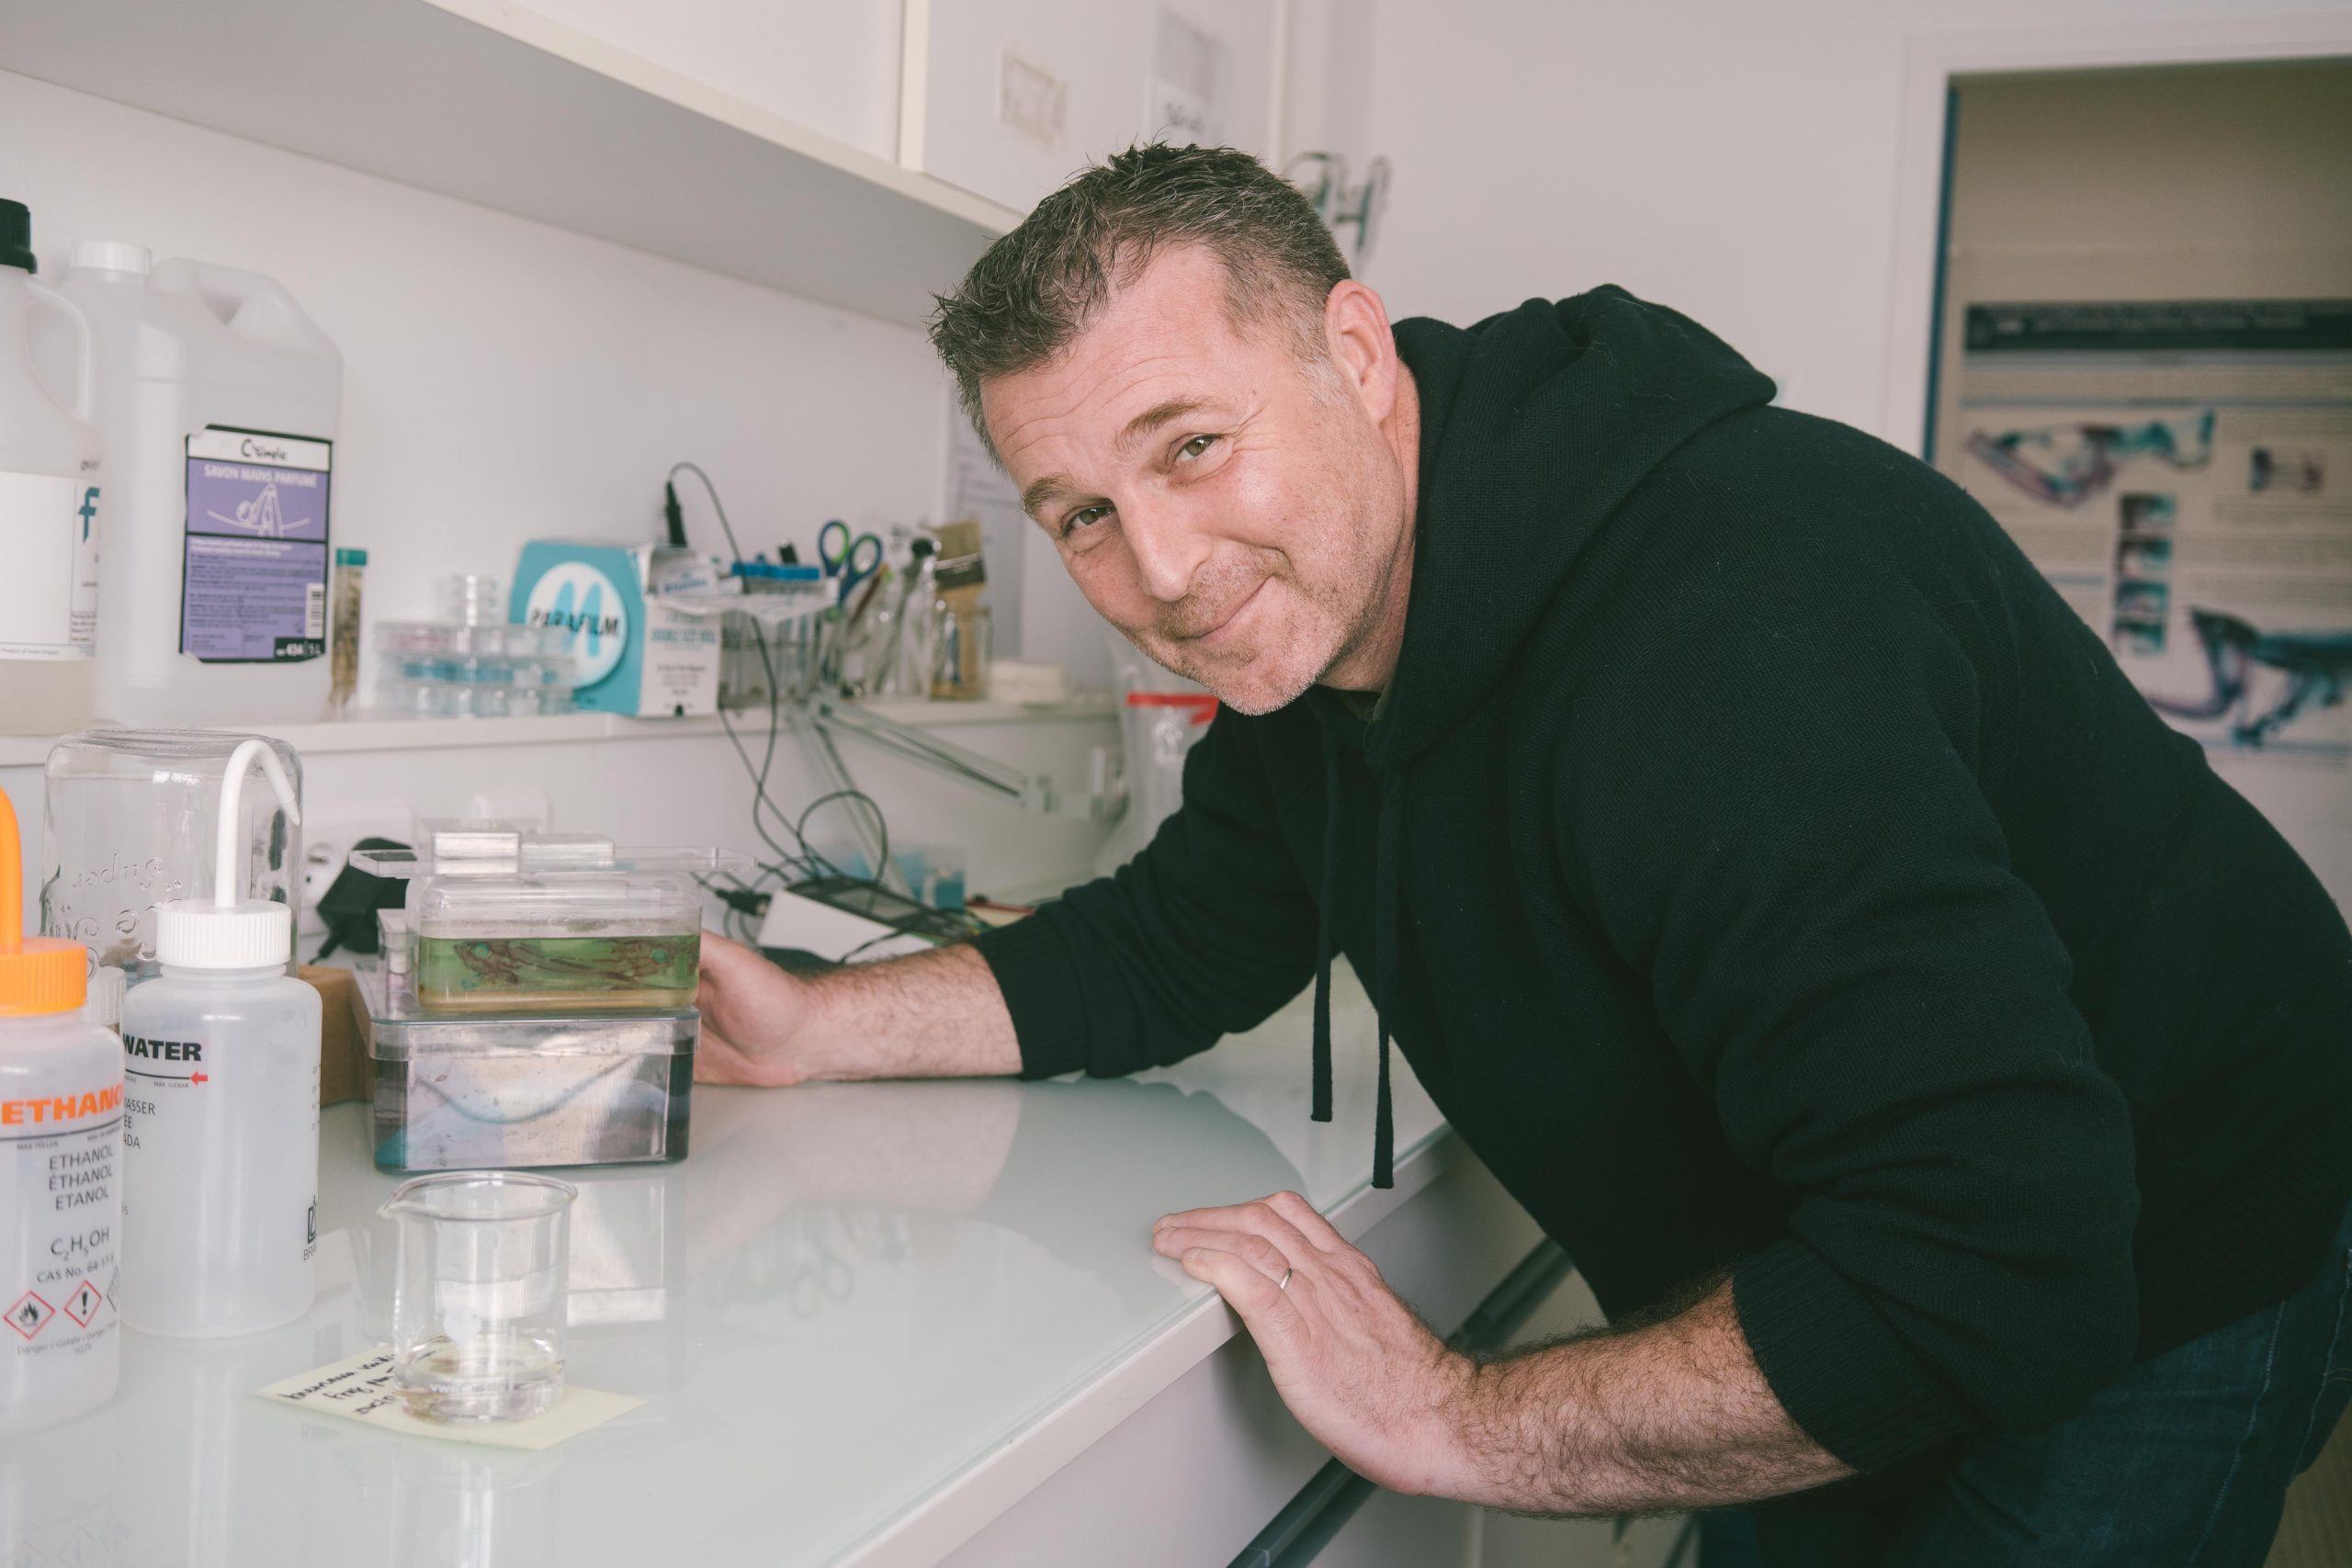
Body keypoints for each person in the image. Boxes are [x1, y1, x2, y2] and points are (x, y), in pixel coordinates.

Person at [693, 144, 2352, 1564]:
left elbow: (1989, 1271)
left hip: (2173, 1232)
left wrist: (1456, 1414)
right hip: (1838, 1235)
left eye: (1192, 446)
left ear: (1354, 352)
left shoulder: (1726, 648)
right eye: (1082, 515)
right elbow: (1175, 940)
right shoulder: (1325, 627)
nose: (1164, 573)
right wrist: (815, 1024)